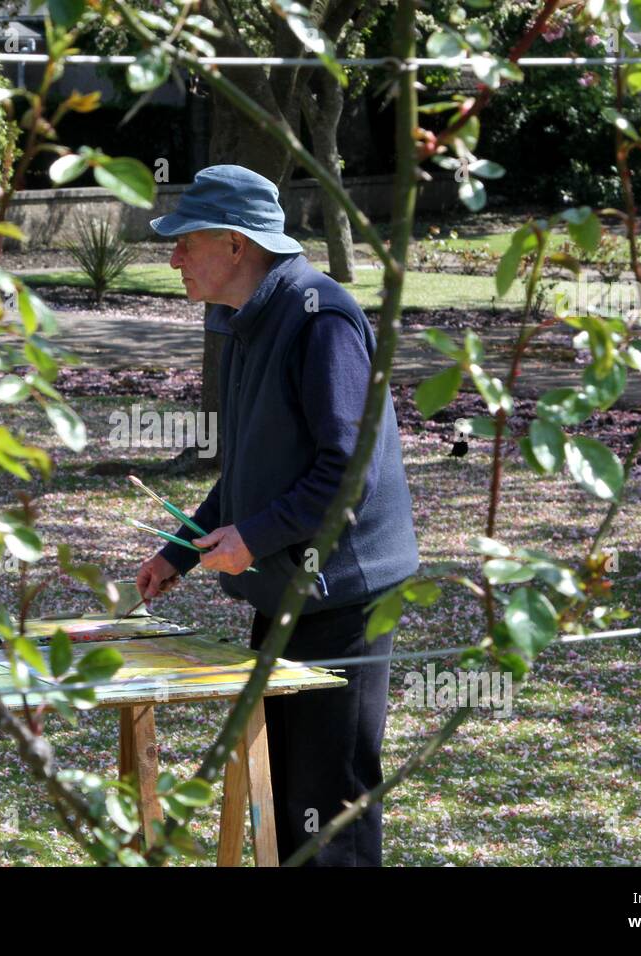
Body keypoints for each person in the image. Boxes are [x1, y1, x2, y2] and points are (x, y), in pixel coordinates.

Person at [134, 164, 420, 866]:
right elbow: (252, 473)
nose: (172, 257)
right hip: (285, 589)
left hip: (342, 598)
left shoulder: (321, 317)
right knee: (282, 800)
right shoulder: (242, 319)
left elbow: (347, 473)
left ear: (236, 245)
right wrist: (181, 549)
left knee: (329, 810)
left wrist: (254, 536)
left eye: (184, 241)